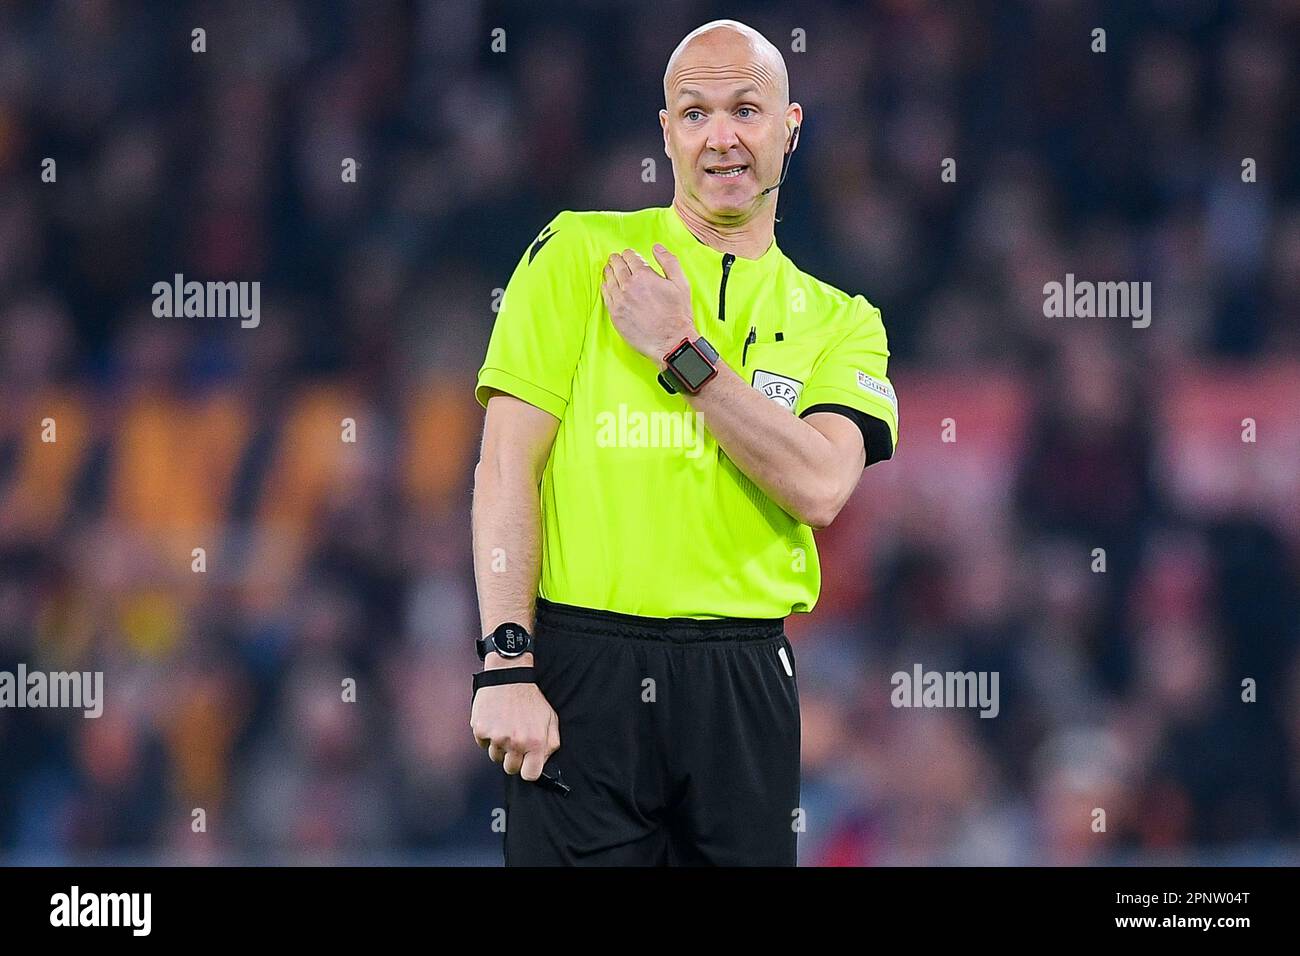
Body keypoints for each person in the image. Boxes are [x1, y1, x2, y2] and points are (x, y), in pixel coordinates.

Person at [469, 18, 899, 866]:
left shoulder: (844, 322)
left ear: (791, 126)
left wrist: (681, 353)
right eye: (695, 114)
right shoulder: (577, 255)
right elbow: (504, 467)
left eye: (746, 108)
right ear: (666, 133)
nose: (722, 137)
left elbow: (819, 486)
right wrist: (506, 662)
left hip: (742, 678)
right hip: (580, 667)